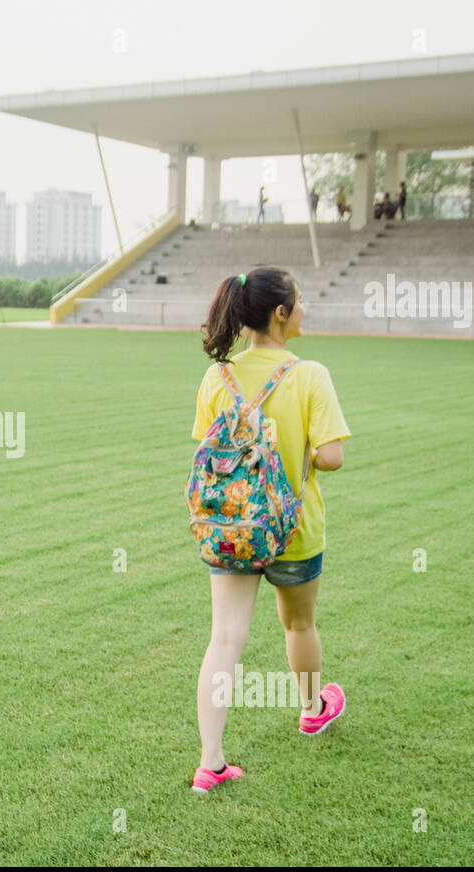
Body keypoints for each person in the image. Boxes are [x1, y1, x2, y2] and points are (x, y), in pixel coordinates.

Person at [189, 268, 352, 793]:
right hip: (292, 529)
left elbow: (208, 447)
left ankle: (210, 761)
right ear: (280, 313)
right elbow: (332, 457)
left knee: (225, 638)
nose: (303, 308)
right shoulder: (309, 375)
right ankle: (311, 708)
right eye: (299, 301)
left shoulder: (218, 377)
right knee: (298, 626)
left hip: (231, 528)